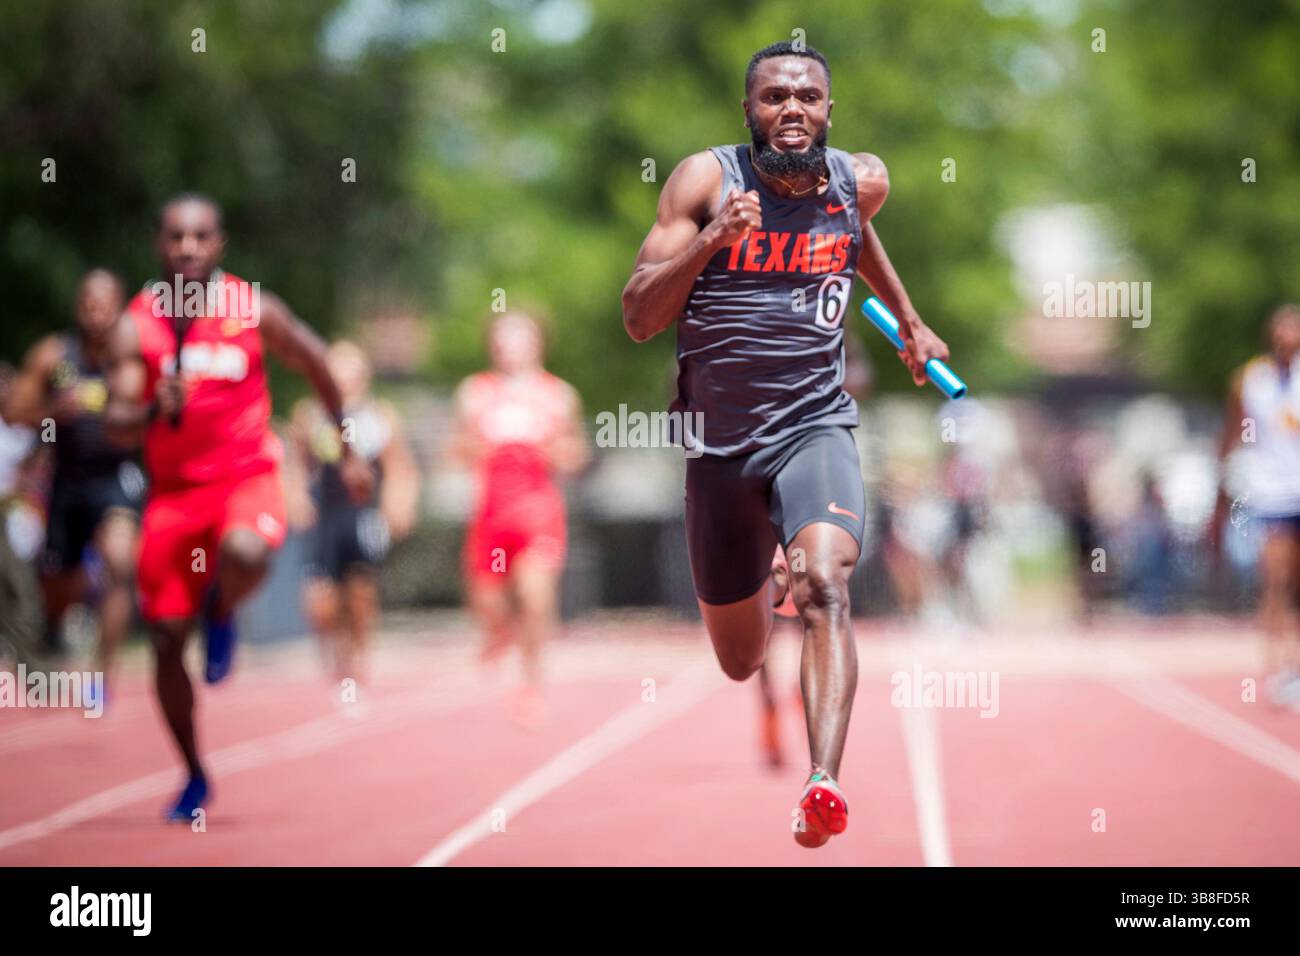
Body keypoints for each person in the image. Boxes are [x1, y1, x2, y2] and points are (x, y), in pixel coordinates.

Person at [621, 42, 950, 847]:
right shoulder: (705, 183)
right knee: (739, 661)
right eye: (774, 97)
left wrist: (908, 320)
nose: (792, 108)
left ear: (829, 110)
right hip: (720, 450)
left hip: (814, 425)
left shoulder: (858, 179)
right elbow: (636, 316)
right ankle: (762, 574)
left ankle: (822, 780)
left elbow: (857, 230)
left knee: (827, 587)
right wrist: (710, 244)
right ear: (749, 112)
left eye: (807, 96)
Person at [103, 192, 374, 820]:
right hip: (172, 498)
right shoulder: (135, 321)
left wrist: (350, 448)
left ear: (218, 244)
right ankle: (194, 772)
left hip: (245, 477)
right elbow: (113, 420)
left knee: (246, 550)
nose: (188, 248)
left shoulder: (252, 309)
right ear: (159, 244)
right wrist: (149, 409)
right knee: (167, 644)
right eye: (175, 237)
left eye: (200, 237)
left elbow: (317, 363)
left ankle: (221, 608)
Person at [448, 312, 589, 727]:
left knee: (535, 596)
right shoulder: (474, 393)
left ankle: (530, 683)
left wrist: (552, 451)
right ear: (493, 345)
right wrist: (483, 447)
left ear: (537, 343)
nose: (511, 347)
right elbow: (453, 448)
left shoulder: (558, 395)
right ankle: (498, 633)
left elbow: (577, 453)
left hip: (538, 512)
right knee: (488, 606)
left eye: (520, 338)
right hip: (491, 513)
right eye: (504, 339)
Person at [4, 270, 141, 692]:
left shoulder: (134, 359)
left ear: (120, 309)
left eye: (105, 306)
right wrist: (52, 411)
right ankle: (52, 635)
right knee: (59, 587)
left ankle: (102, 675)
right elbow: (13, 412)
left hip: (117, 475)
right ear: (78, 308)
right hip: (66, 481)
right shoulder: (54, 356)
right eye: (88, 305)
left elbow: (157, 418)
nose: (96, 315)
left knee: (120, 561)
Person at [284, 340, 419, 689]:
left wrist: (398, 504)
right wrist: (296, 496)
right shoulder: (310, 414)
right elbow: (297, 463)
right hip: (325, 515)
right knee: (320, 601)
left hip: (363, 514)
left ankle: (358, 656)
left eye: (349, 370)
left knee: (359, 593)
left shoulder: (380, 415)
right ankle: (335, 652)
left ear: (363, 375)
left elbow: (398, 466)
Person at [1214, 304, 1300, 708]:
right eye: (1283, 327)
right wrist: (1222, 485)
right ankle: (1280, 671)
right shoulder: (1252, 378)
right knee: (1276, 580)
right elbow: (1232, 430)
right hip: (1274, 493)